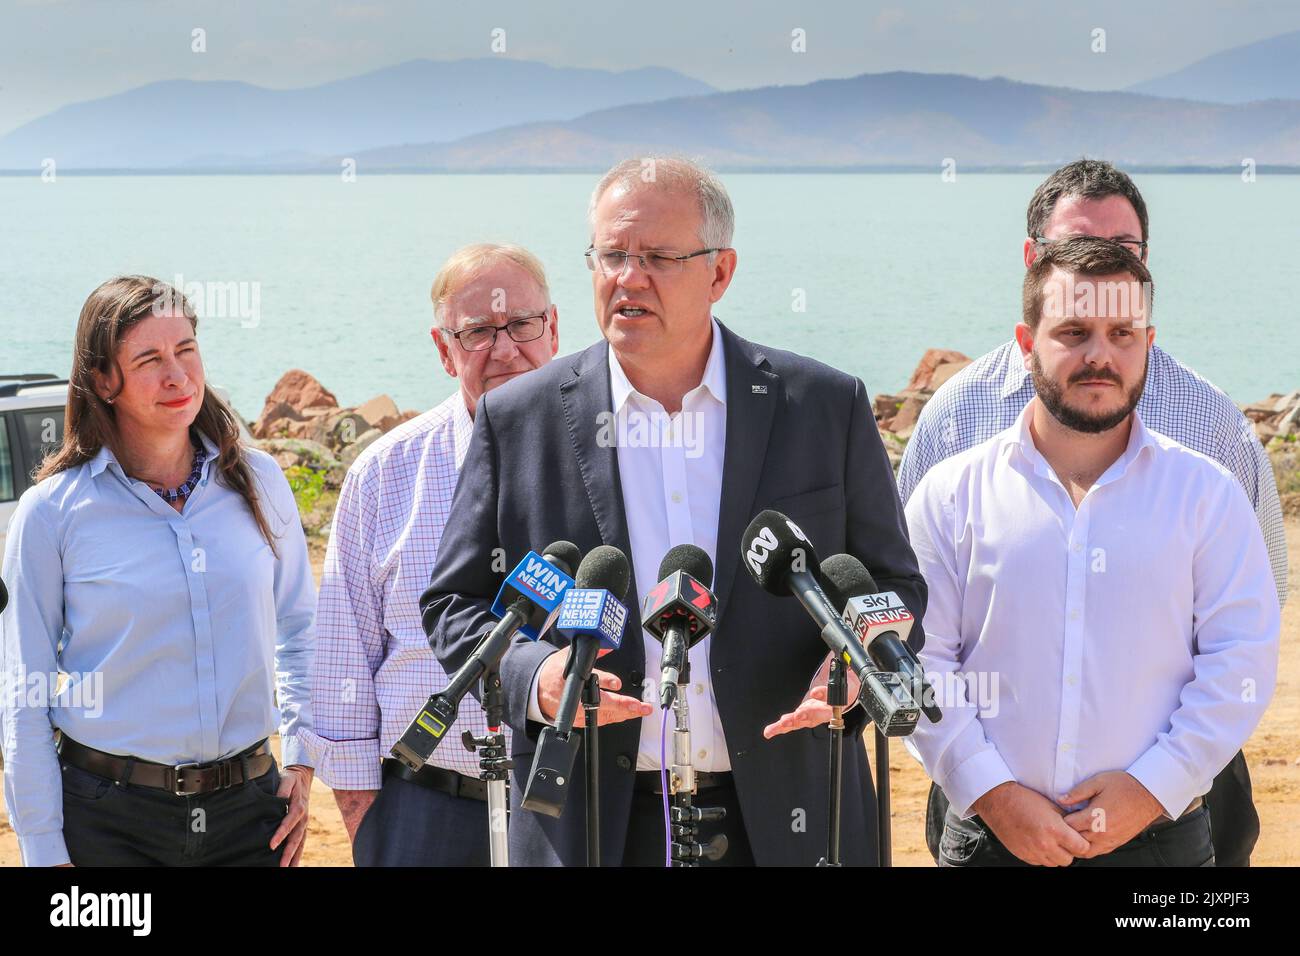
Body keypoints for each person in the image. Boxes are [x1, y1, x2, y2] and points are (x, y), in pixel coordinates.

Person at [421, 156, 926, 866]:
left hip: (793, 813)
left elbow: (893, 586)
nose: (628, 277)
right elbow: (455, 603)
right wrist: (535, 677)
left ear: (720, 272)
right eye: (611, 255)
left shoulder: (822, 407)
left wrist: (855, 664)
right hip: (592, 823)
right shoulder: (518, 419)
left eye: (657, 257)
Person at [897, 159, 1287, 866]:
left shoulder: (1209, 468)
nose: (1098, 357)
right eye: (1073, 332)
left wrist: (1150, 788)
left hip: (1166, 833)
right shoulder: (953, 476)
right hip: (987, 833)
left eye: (1121, 335)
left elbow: (1243, 644)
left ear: (1147, 337)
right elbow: (917, 647)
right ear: (1028, 339)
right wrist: (990, 791)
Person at [1, 275, 315, 867]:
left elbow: (300, 627)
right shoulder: (52, 513)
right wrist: (43, 848)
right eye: (149, 359)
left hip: (249, 817)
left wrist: (301, 755)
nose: (177, 376)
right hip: (106, 824)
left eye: (186, 351)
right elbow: (23, 692)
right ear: (102, 381)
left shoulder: (261, 481)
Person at [302, 243, 559, 866]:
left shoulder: (609, 454)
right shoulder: (385, 474)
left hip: (570, 809)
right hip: (426, 811)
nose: (504, 348)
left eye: (521, 324)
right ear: (444, 350)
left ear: (553, 328)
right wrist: (370, 825)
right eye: (477, 331)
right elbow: (343, 659)